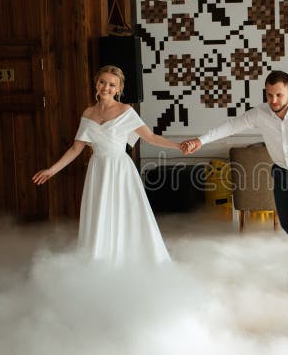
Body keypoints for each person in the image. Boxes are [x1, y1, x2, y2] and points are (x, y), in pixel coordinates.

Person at [182, 70, 288, 292]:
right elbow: (231, 126)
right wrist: (200, 140)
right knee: (286, 222)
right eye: (269, 95)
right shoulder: (260, 114)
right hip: (282, 172)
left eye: (279, 95)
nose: (273, 100)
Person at [33, 65, 181, 266]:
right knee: (100, 215)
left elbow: (151, 137)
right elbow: (76, 149)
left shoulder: (126, 111)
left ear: (119, 89)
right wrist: (52, 170)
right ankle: (99, 261)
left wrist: (178, 146)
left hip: (120, 169)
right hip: (98, 170)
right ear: (96, 83)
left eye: (112, 85)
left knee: (125, 213)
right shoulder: (88, 113)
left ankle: (128, 259)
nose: (106, 87)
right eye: (102, 82)